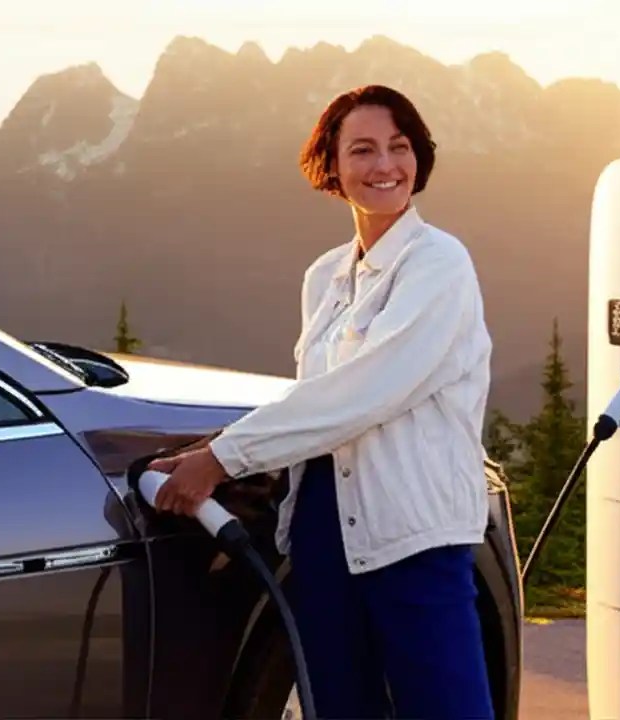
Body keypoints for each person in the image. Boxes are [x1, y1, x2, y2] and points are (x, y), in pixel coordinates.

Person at [149, 84, 495, 719]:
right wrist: (208, 451)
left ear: (419, 156)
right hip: (321, 534)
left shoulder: (440, 264)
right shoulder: (325, 277)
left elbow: (365, 391)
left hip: (413, 536)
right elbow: (314, 400)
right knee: (336, 706)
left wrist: (224, 459)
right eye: (362, 150)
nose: (385, 165)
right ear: (331, 166)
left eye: (399, 146)